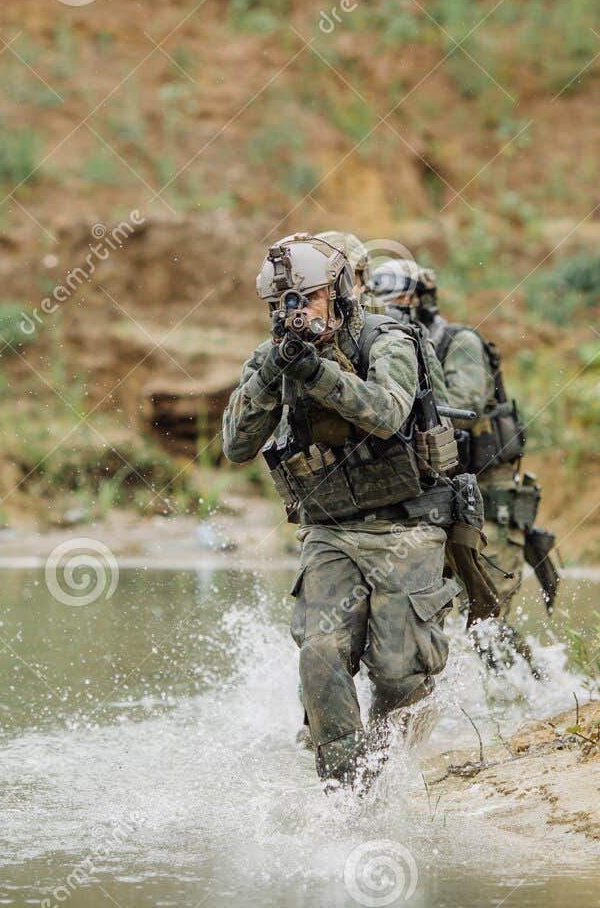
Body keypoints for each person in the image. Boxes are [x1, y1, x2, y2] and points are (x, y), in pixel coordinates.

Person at [221, 233, 470, 791]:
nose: (294, 312)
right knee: (321, 655)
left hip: (405, 523)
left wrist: (316, 374)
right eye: (281, 304)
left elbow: (385, 414)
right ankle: (345, 792)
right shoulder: (274, 358)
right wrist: (274, 372)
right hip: (331, 531)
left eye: (306, 298)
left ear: (336, 293)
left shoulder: (388, 341)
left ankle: (393, 768)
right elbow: (235, 445)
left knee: (398, 673)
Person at [365, 258, 560, 670]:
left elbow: (463, 407)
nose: (390, 306)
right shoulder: (382, 347)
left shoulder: (457, 341)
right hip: (439, 501)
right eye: (379, 298)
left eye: (399, 297)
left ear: (421, 298)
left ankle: (530, 690)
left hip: (490, 503)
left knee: (487, 619)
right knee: (429, 614)